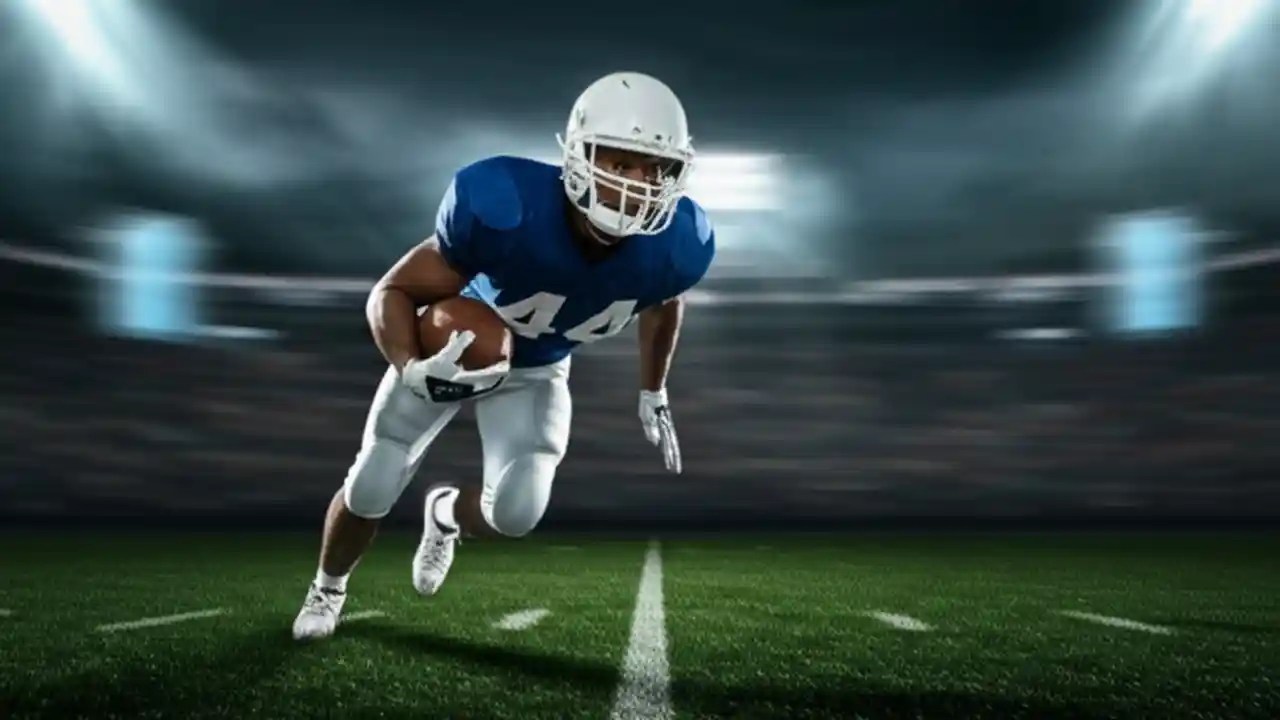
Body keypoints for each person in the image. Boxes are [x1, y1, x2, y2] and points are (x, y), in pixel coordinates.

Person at [292, 71, 716, 640]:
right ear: (580, 157)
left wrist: (653, 388)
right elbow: (391, 291)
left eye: (654, 170)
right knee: (374, 477)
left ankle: (443, 514)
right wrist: (409, 366)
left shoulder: (676, 246)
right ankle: (328, 587)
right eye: (619, 165)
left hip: (539, 367)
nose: (638, 187)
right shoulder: (505, 203)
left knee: (517, 512)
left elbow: (664, 303)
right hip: (456, 346)